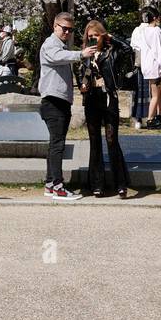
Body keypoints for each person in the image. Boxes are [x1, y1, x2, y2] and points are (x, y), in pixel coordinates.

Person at [39, 12, 98, 200]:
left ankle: (50, 183)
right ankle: (58, 186)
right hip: (53, 101)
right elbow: (58, 56)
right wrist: (81, 54)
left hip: (60, 100)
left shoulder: (62, 46)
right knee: (58, 145)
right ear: (55, 26)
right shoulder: (51, 45)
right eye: (64, 28)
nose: (67, 32)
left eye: (70, 30)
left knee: (55, 144)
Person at [78, 20, 131, 198]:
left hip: (109, 97)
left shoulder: (111, 51)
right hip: (92, 98)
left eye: (96, 35)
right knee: (94, 141)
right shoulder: (85, 55)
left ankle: (121, 184)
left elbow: (128, 50)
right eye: (90, 36)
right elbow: (79, 74)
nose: (93, 39)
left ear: (102, 35)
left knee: (111, 139)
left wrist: (111, 38)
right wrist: (82, 84)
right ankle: (97, 184)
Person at [140, 10, 161, 129]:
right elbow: (159, 50)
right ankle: (150, 119)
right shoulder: (156, 31)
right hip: (156, 66)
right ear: (156, 18)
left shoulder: (144, 31)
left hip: (149, 66)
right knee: (156, 95)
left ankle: (159, 116)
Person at [128, 13, 151, 128]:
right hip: (151, 65)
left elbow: (133, 47)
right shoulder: (154, 30)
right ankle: (151, 118)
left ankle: (138, 119)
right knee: (151, 93)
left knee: (138, 91)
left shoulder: (136, 30)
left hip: (140, 65)